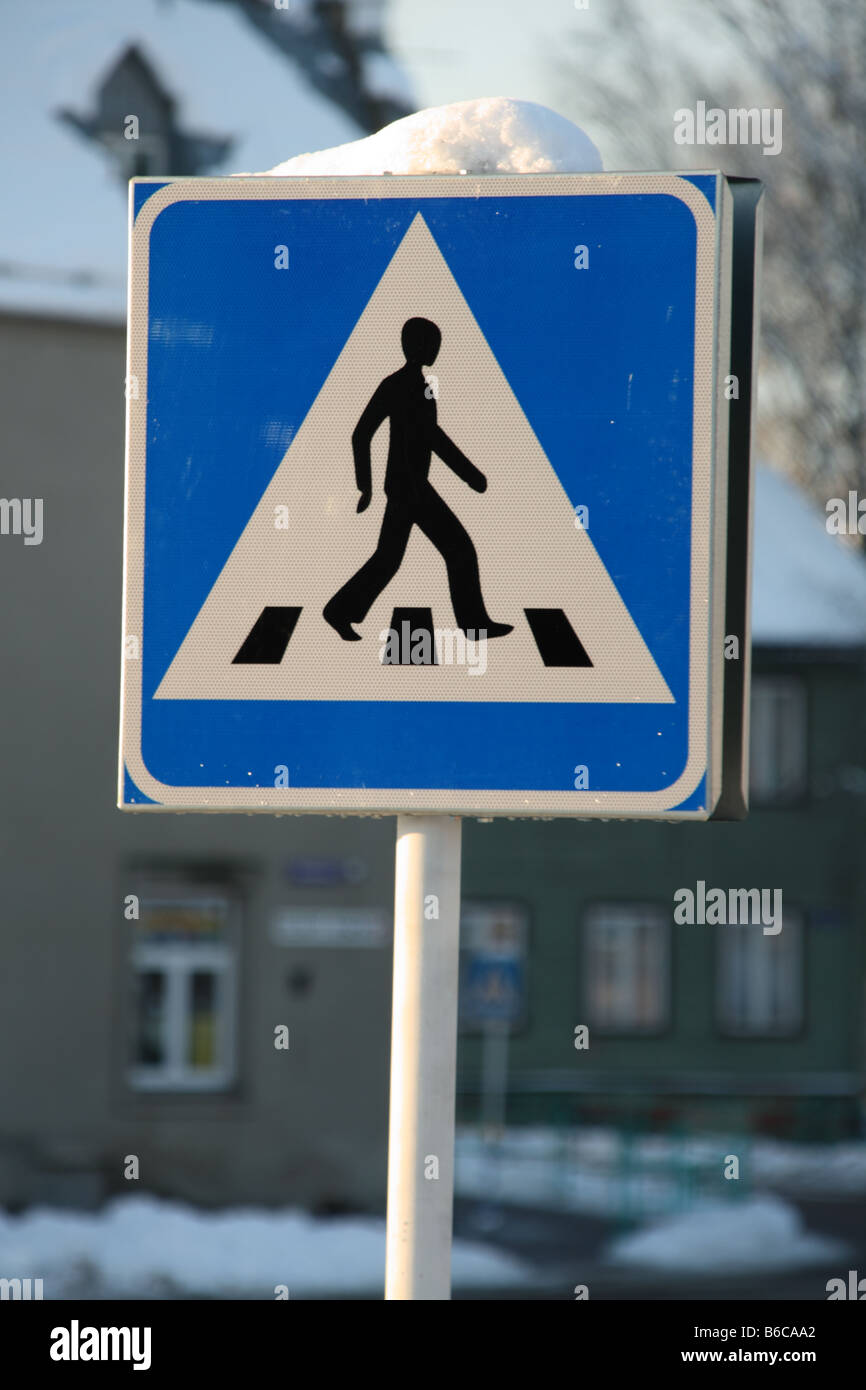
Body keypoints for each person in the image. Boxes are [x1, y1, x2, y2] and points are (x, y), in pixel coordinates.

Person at [323, 316, 513, 641]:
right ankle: (473, 625)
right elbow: (363, 434)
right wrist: (364, 487)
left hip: (406, 486)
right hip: (410, 488)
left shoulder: (412, 386)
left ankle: (339, 611)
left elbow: (430, 436)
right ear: (415, 346)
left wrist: (369, 487)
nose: (436, 349)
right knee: (459, 549)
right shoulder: (401, 385)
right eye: (431, 343)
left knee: (389, 559)